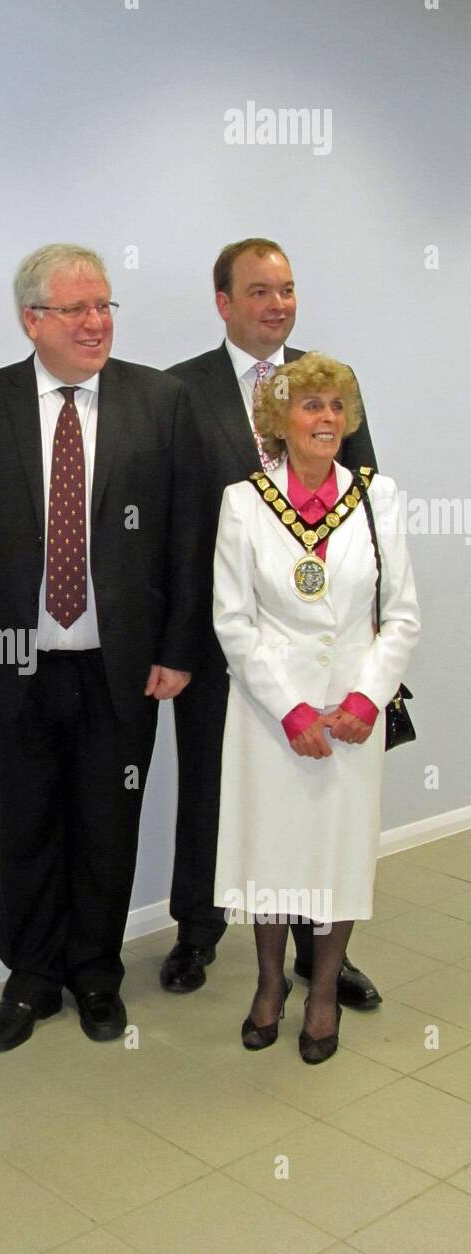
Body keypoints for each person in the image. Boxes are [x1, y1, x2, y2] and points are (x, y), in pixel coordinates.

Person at [0, 243, 203, 1051]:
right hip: (12, 655)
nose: (97, 322)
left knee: (109, 822)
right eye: (77, 309)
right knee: (25, 820)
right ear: (33, 319)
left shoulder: (158, 400)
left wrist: (178, 647)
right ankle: (32, 978)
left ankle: (96, 971)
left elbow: (184, 536)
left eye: (105, 306)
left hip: (124, 660)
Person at [161, 238, 383, 1009]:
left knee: (315, 796)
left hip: (321, 641)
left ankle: (318, 959)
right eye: (259, 291)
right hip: (216, 634)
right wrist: (173, 645)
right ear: (223, 301)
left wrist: (375, 657)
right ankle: (196, 931)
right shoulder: (179, 390)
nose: (277, 303)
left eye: (286, 288)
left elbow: (366, 508)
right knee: (211, 789)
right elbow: (170, 528)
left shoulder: (328, 383)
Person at [212, 353, 419, 1062]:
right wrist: (292, 711)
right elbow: (233, 621)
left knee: (338, 857)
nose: (326, 419)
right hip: (273, 716)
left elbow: (403, 617)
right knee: (272, 854)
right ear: (280, 420)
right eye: (311, 406)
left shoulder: (377, 496)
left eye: (336, 407)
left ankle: (323, 991)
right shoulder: (243, 502)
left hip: (354, 716)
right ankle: (270, 985)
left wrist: (367, 698)